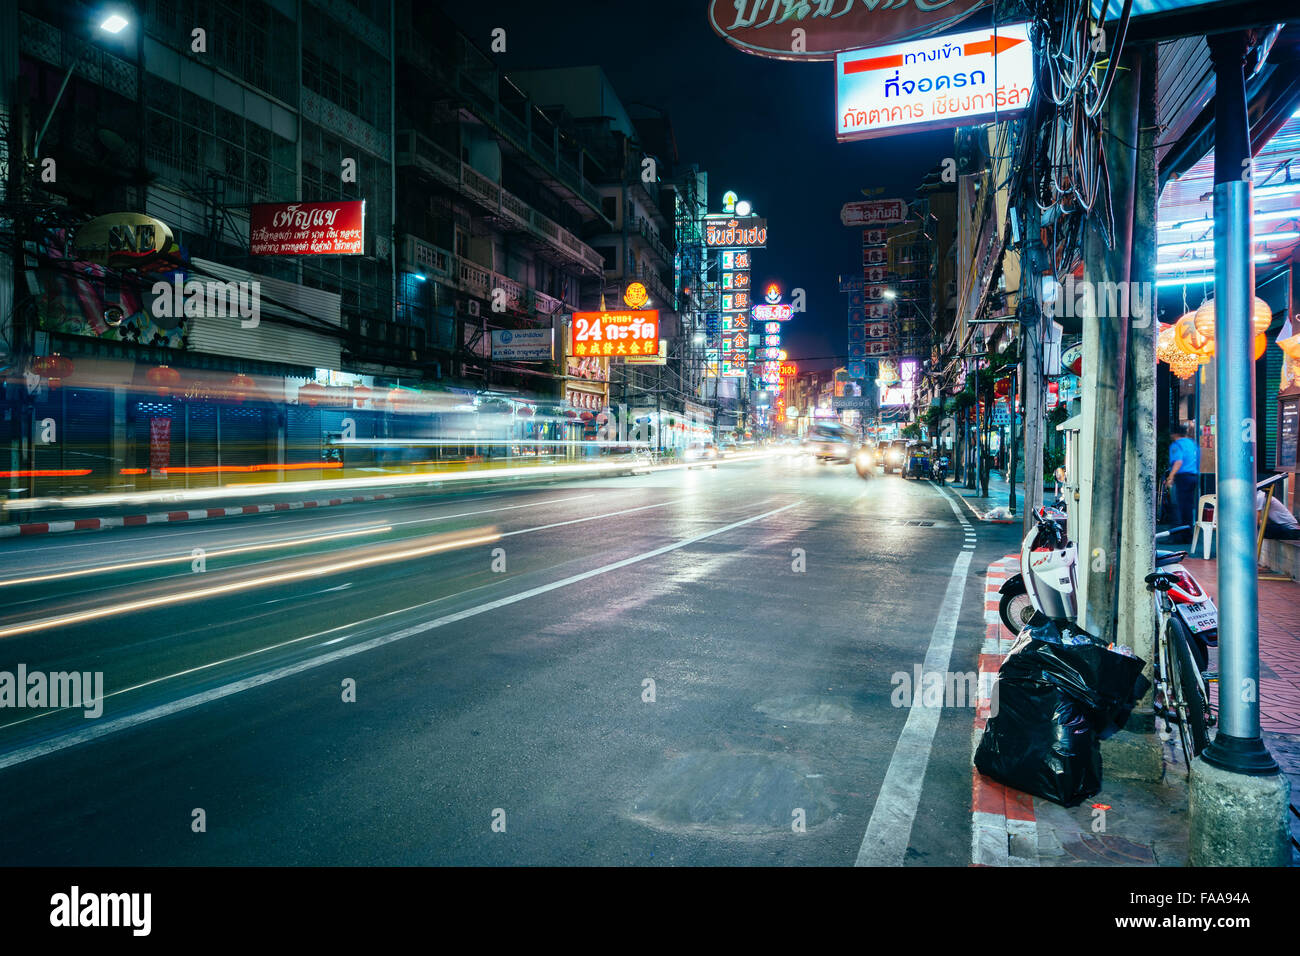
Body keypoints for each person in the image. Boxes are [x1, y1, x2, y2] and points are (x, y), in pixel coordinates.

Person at [1165, 423, 1200, 544]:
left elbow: (1178, 462)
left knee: (1177, 506)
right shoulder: (1192, 444)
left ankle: (1177, 537)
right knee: (1188, 507)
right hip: (1193, 476)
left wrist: (1170, 477)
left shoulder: (1177, 445)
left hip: (1182, 477)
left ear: (1174, 434)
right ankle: (1187, 535)